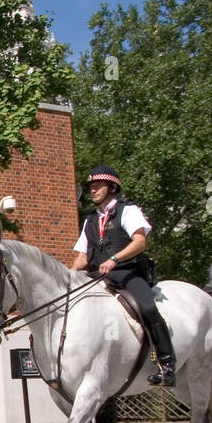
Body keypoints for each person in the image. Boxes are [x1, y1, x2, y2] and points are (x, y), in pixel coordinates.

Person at [69, 165, 176, 387]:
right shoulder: (90, 221)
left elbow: (140, 242)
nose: (93, 191)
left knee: (147, 308)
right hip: (99, 277)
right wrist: (68, 275)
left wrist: (114, 260)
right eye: (91, 187)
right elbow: (81, 257)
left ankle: (167, 364)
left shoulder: (128, 210)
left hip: (128, 273)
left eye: (98, 186)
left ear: (112, 187)